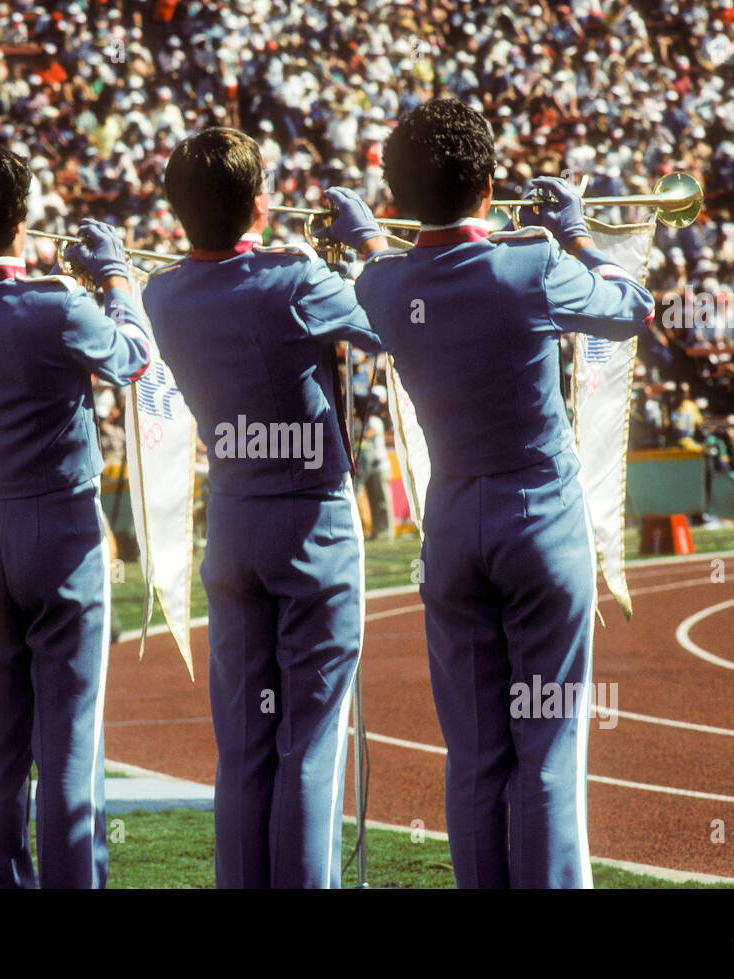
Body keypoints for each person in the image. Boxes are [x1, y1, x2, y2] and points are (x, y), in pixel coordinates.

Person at [339, 97, 653, 888]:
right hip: (540, 520)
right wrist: (580, 232)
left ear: (400, 195)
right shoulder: (534, 263)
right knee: (545, 747)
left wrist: (367, 237)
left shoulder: (379, 282)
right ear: (489, 184)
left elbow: (390, 275)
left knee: (476, 752)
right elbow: (632, 308)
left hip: (452, 525)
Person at [142, 126, 385, 888]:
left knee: (245, 744)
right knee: (309, 744)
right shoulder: (294, 279)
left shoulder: (161, 291)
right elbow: (392, 325)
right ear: (259, 202)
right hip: (312, 520)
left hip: (237, 522)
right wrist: (368, 246)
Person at [0, 140, 150, 889]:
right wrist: (115, 275)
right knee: (71, 743)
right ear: (22, 222)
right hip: (61, 529)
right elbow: (137, 357)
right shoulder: (55, 303)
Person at [355, 387, 393, 540]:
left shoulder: (375, 423)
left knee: (382, 501)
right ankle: (377, 531)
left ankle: (386, 531)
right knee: (373, 500)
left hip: (379, 466)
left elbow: (368, 435)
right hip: (369, 467)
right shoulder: (361, 423)